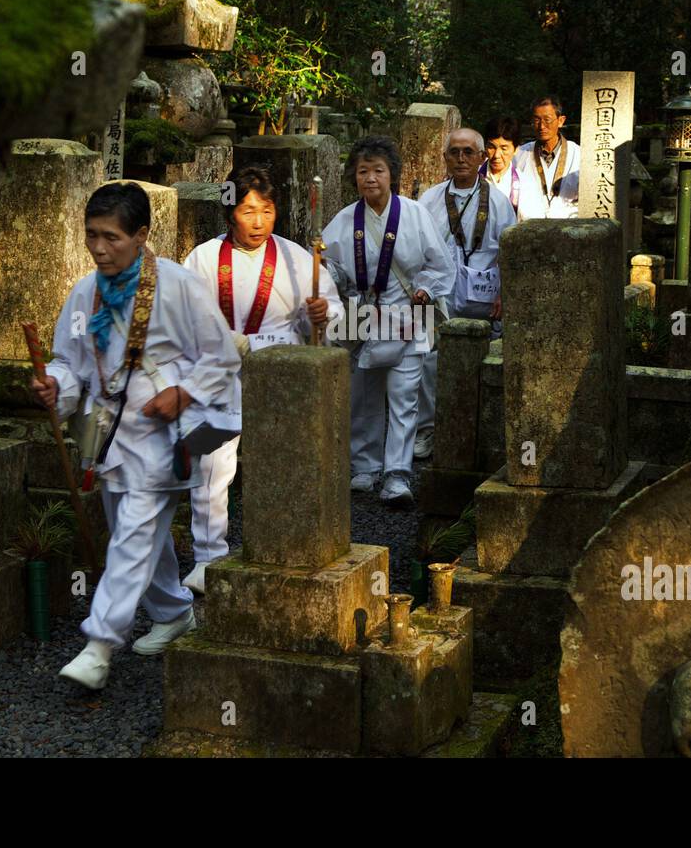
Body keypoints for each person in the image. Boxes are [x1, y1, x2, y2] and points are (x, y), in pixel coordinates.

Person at [31, 182, 242, 690]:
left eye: (111, 237)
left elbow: (222, 356)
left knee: (132, 535)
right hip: (108, 435)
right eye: (91, 236)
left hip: (165, 435)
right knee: (141, 536)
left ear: (142, 235)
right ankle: (173, 612)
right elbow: (71, 361)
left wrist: (183, 393)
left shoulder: (179, 286)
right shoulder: (86, 292)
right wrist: (55, 386)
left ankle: (99, 645)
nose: (99, 248)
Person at [181, 166, 343, 593]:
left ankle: (286, 547)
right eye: (248, 210)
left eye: (267, 211)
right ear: (230, 211)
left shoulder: (295, 258)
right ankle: (208, 555)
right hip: (221, 369)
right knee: (212, 465)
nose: (258, 222)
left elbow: (332, 309)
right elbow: (185, 317)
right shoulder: (202, 258)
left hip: (279, 369)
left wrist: (323, 316)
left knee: (285, 459)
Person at [321, 136, 454, 505]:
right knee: (362, 394)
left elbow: (439, 264)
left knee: (404, 397)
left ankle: (397, 474)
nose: (370, 179)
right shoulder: (345, 220)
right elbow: (334, 272)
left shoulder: (413, 214)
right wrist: (323, 268)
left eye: (378, 170)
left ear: (391, 174)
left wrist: (426, 289)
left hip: (407, 314)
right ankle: (365, 466)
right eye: (363, 172)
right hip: (362, 316)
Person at [414, 128, 517, 457]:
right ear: (445, 158)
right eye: (454, 152)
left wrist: (506, 293)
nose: (461, 158)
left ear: (481, 158)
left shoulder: (499, 203)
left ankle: (479, 431)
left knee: (483, 357)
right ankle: (426, 430)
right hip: (439, 294)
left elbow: (510, 252)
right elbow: (415, 248)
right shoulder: (428, 200)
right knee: (429, 361)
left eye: (468, 152)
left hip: (484, 295)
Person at [513, 95, 582, 219]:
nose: (541, 126)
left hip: (568, 230)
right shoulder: (519, 154)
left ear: (561, 120)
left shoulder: (579, 154)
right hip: (529, 230)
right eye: (536, 120)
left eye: (547, 119)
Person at [480, 115, 522, 216]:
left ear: (516, 149)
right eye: (491, 147)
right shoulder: (472, 177)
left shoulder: (526, 183)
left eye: (504, 148)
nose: (496, 155)